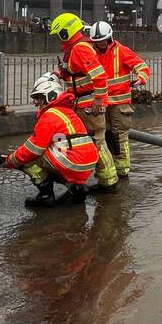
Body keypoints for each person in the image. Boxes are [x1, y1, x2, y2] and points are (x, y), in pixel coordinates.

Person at [1, 72, 99, 207]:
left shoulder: (49, 116)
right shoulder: (68, 112)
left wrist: (12, 160)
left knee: (29, 159)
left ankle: (46, 196)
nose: (36, 103)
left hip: (73, 163)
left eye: (39, 98)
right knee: (51, 155)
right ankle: (75, 188)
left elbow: (32, 150)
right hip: (87, 164)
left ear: (50, 96)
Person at [49, 12, 119, 193]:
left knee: (97, 141)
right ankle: (104, 178)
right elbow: (76, 73)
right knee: (92, 141)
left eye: (59, 35)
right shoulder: (76, 49)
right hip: (83, 103)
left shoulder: (80, 48)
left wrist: (97, 100)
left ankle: (108, 181)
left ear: (66, 32)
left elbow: (99, 76)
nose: (58, 39)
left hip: (89, 104)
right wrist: (60, 74)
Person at [88, 20, 151, 178]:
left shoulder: (121, 51)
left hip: (120, 104)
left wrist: (141, 77)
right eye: (97, 42)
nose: (100, 44)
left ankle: (122, 169)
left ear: (109, 38)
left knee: (119, 135)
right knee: (103, 136)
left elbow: (141, 66)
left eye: (102, 40)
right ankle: (108, 167)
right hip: (101, 103)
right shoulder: (91, 53)